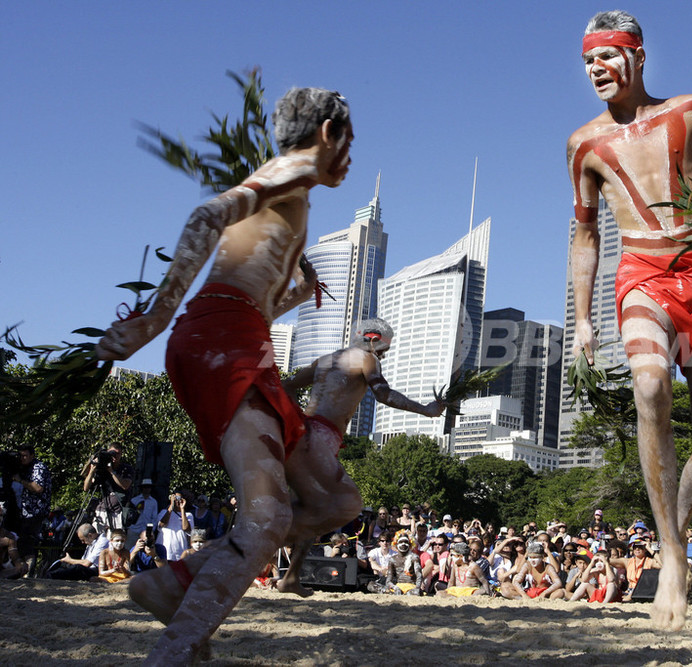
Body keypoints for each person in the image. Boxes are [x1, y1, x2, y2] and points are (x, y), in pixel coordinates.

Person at [95, 87, 353, 664]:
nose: (350, 158)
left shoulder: (291, 191)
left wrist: (299, 292)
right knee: (270, 515)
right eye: (349, 142)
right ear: (327, 133)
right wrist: (152, 318)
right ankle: (175, 647)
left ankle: (173, 584)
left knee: (334, 502)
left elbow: (252, 295)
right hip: (222, 344)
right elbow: (208, 214)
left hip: (239, 340)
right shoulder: (293, 169)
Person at [567, 9, 692, 629]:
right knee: (650, 385)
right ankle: (671, 554)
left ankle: (673, 534)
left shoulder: (689, 110)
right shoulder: (584, 144)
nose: (596, 69)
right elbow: (585, 235)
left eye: (607, 56)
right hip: (641, 277)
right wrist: (582, 319)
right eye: (587, 61)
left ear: (637, 56)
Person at [275, 317, 444, 595]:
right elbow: (384, 394)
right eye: (384, 350)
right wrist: (425, 410)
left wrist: (296, 421)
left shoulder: (326, 360)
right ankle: (263, 544)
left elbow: (286, 386)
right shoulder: (367, 358)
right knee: (346, 505)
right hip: (322, 437)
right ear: (373, 341)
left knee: (312, 506)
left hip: (304, 434)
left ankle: (291, 576)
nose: (383, 356)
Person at [12, 445, 52, 568]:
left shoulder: (38, 467)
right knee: (21, 542)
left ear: (32, 456)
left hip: (35, 513)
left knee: (28, 543)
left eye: (25, 456)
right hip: (24, 512)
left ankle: (29, 570)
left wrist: (20, 480)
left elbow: (38, 488)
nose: (22, 458)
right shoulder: (24, 468)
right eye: (20, 456)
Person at [82, 444, 134, 534]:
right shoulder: (102, 469)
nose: (115, 456)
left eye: (118, 453)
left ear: (121, 454)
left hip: (117, 511)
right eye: (112, 453)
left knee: (116, 538)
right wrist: (92, 470)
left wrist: (111, 471)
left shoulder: (126, 468)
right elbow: (86, 488)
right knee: (99, 539)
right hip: (101, 510)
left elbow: (125, 485)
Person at [156, 492, 193, 561]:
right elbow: (162, 524)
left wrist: (182, 509)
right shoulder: (164, 512)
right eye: (175, 498)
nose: (177, 501)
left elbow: (186, 529)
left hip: (180, 551)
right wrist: (171, 506)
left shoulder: (188, 515)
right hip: (165, 551)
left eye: (179, 498)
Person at [0, 503, 29, 579]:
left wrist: (21, 564)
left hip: (2, 572)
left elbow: (16, 559)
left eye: (1, 516)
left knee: (19, 569)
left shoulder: (9, 537)